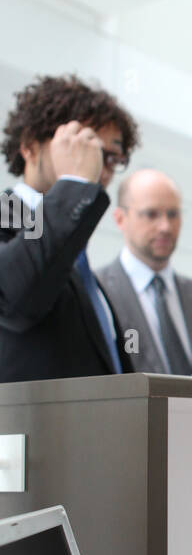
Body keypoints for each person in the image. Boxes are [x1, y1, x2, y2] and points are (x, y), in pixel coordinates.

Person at [0, 74, 139, 382]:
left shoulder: (79, 261)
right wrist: (74, 183)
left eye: (111, 156)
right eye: (84, 145)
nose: (98, 166)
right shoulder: (7, 218)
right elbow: (17, 299)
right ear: (30, 146)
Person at [97, 169, 192, 379]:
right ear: (120, 219)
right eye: (151, 214)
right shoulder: (97, 293)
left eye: (173, 214)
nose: (165, 227)